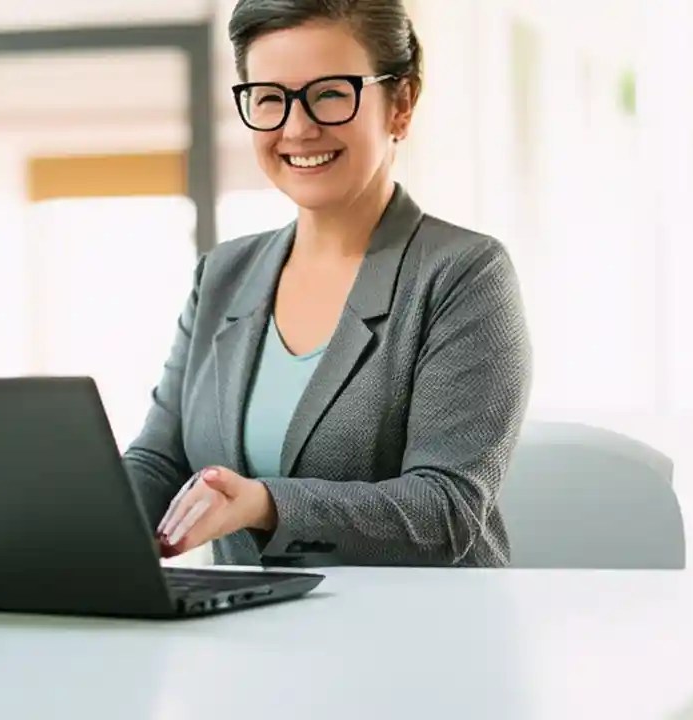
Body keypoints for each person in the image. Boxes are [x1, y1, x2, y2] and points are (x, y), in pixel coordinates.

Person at [123, 0, 532, 568]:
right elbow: (159, 465)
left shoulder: (463, 274)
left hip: (423, 643)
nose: (297, 127)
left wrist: (266, 505)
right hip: (251, 643)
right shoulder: (222, 276)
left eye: (331, 94)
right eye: (270, 97)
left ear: (401, 104)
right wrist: (61, 520)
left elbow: (447, 509)